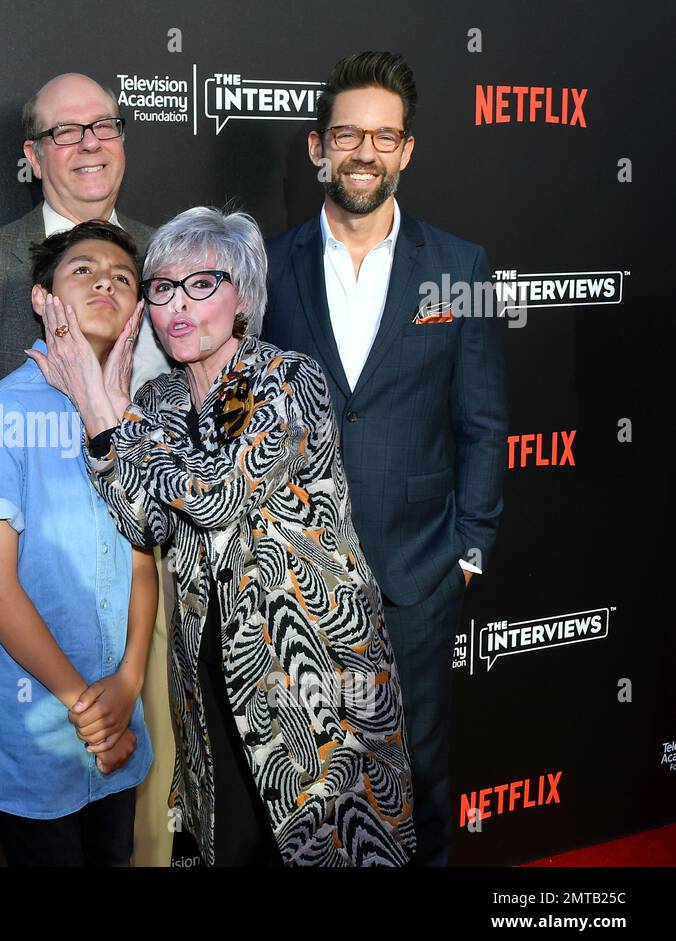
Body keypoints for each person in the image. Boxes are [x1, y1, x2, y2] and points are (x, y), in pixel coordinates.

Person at [32, 206, 417, 866]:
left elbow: (215, 496)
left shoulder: (283, 379)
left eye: (202, 285)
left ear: (242, 298)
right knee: (235, 841)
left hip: (311, 671)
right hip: (209, 669)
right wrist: (109, 430)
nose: (177, 305)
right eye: (161, 289)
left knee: (333, 846)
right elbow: (144, 522)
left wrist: (103, 412)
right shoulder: (159, 401)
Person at [263, 51, 507, 866]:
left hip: (417, 573)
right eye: (347, 134)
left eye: (383, 136)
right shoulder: (266, 267)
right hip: (299, 573)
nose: (364, 151)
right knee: (311, 784)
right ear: (316, 147)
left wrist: (466, 551)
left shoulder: (461, 267)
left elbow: (483, 420)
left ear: (406, 150)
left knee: (421, 779)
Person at [0, 220, 156, 866]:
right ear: (43, 301)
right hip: (38, 733)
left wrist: (127, 682)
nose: (106, 281)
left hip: (119, 728)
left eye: (123, 278)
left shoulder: (135, 421)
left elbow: (143, 559)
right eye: (83, 271)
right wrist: (85, 708)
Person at [0, 72, 167, 404]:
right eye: (66, 131)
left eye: (104, 125)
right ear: (34, 157)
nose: (90, 143)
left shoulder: (168, 258)